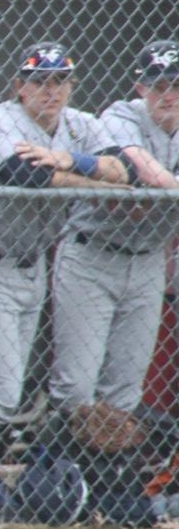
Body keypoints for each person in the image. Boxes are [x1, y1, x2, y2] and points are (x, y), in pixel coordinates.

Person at [0, 42, 131, 523]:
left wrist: (69, 161)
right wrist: (93, 180)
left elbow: (123, 169)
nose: (50, 89)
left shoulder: (80, 124)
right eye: (39, 80)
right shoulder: (1, 121)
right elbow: (27, 176)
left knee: (3, 392)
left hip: (32, 266)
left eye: (60, 79)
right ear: (20, 86)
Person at [48, 41, 179, 421]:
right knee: (76, 387)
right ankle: (59, 473)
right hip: (92, 256)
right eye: (158, 85)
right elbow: (140, 170)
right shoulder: (121, 114)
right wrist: (160, 187)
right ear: (141, 88)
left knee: (125, 388)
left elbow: (151, 190)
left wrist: (157, 192)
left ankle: (107, 478)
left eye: (175, 84)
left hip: (149, 261)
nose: (167, 94)